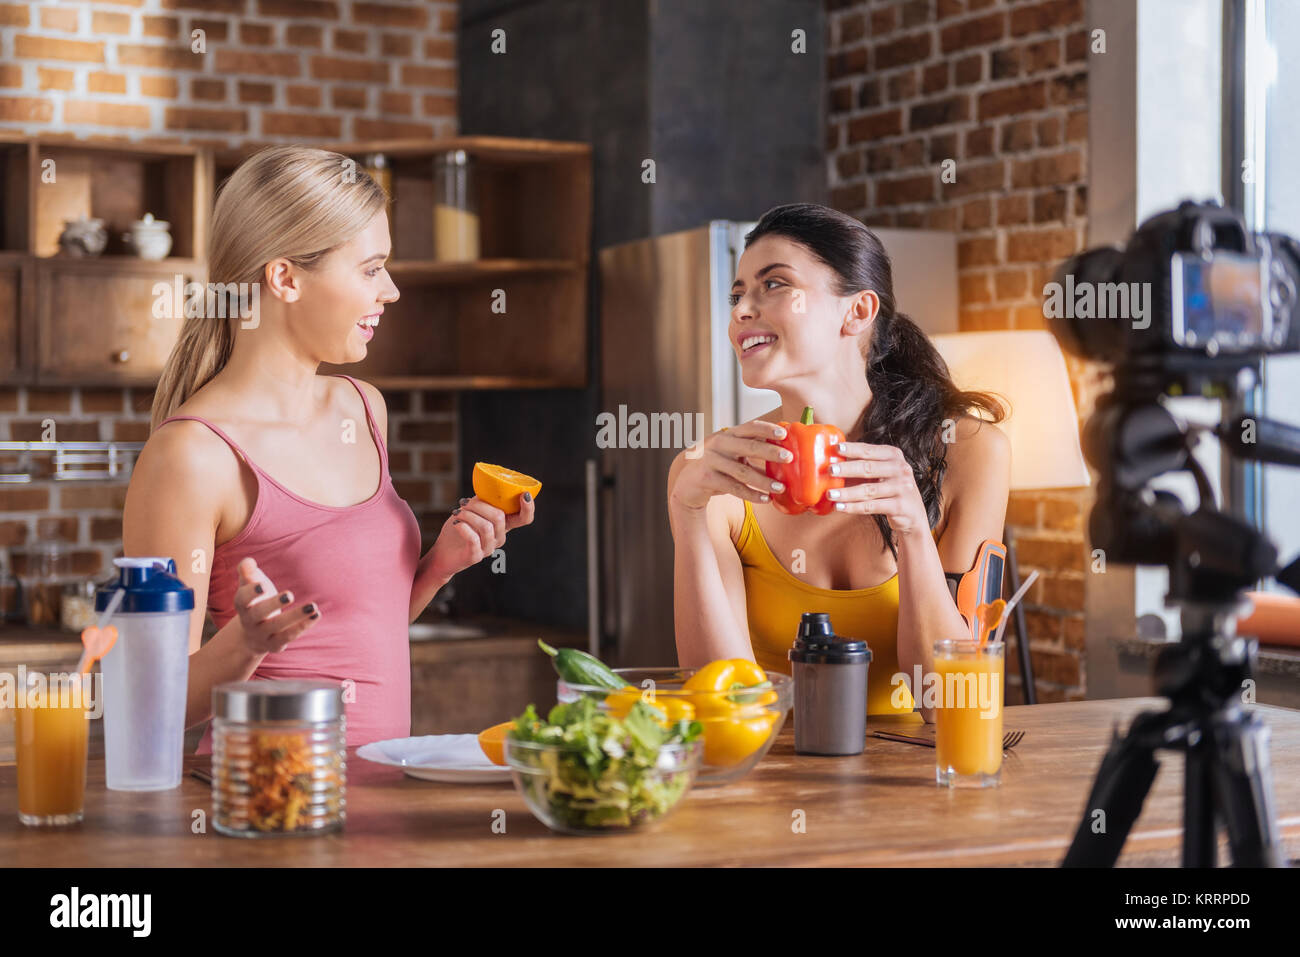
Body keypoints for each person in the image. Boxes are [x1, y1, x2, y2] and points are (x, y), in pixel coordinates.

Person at [123, 145, 534, 753]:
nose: (391, 291)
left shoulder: (362, 409)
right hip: (268, 796)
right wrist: (245, 645)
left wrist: (440, 565)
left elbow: (354, 630)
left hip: (384, 791)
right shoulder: (191, 456)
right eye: (370, 269)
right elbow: (147, 708)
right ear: (285, 278)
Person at [667, 203, 1010, 721]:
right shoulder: (714, 474)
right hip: (772, 766)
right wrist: (687, 512)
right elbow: (724, 708)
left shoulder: (969, 452)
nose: (740, 311)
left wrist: (914, 531)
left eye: (774, 285)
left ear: (858, 311)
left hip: (917, 770)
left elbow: (954, 707)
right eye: (737, 295)